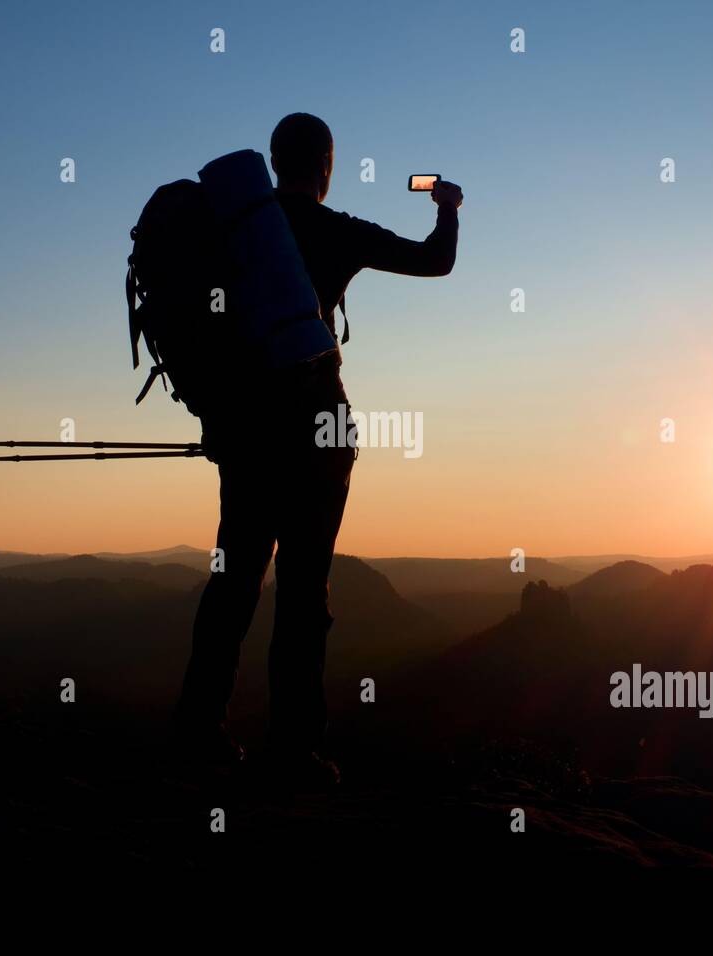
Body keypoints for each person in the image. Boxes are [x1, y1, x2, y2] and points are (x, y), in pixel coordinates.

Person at [173, 113, 462, 786]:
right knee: (304, 589)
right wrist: (446, 208)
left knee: (235, 577)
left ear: (274, 162)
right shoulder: (338, 231)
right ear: (326, 166)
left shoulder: (233, 231)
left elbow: (201, 321)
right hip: (318, 427)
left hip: (247, 430)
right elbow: (436, 261)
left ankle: (197, 730)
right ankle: (293, 750)